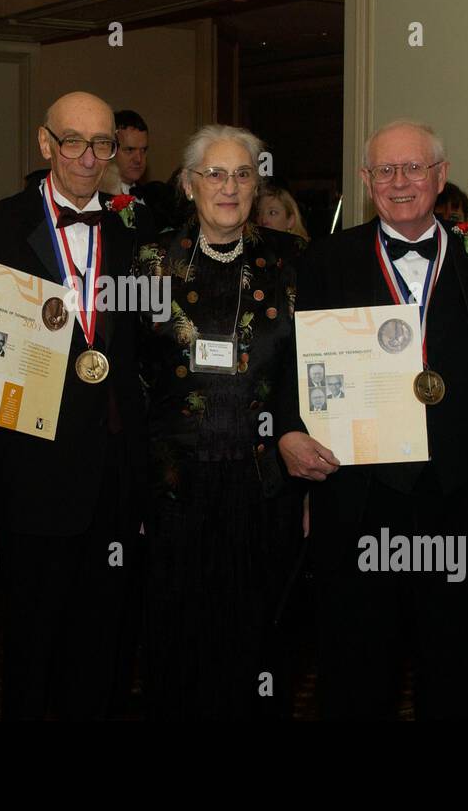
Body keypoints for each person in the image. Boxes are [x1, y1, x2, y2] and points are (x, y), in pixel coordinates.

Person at [275, 119, 468, 720]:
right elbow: (287, 364)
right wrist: (287, 430)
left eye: (413, 168)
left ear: (440, 175)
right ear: (365, 180)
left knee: (453, 665)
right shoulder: (325, 259)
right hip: (356, 496)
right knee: (355, 668)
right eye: (385, 170)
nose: (400, 182)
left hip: (452, 495)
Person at [0, 91, 149, 719]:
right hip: (33, 470)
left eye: (103, 144)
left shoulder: (136, 228)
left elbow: (148, 339)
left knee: (107, 650)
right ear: (45, 144)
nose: (90, 158)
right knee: (33, 653)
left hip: (116, 474)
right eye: (74, 142)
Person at [134, 124, 304, 718]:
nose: (228, 187)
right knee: (177, 632)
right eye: (215, 173)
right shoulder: (149, 262)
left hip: (263, 483)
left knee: (257, 632)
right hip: (175, 484)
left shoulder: (289, 262)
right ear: (188, 184)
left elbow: (307, 373)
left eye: (242, 174)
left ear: (257, 185)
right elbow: (122, 367)